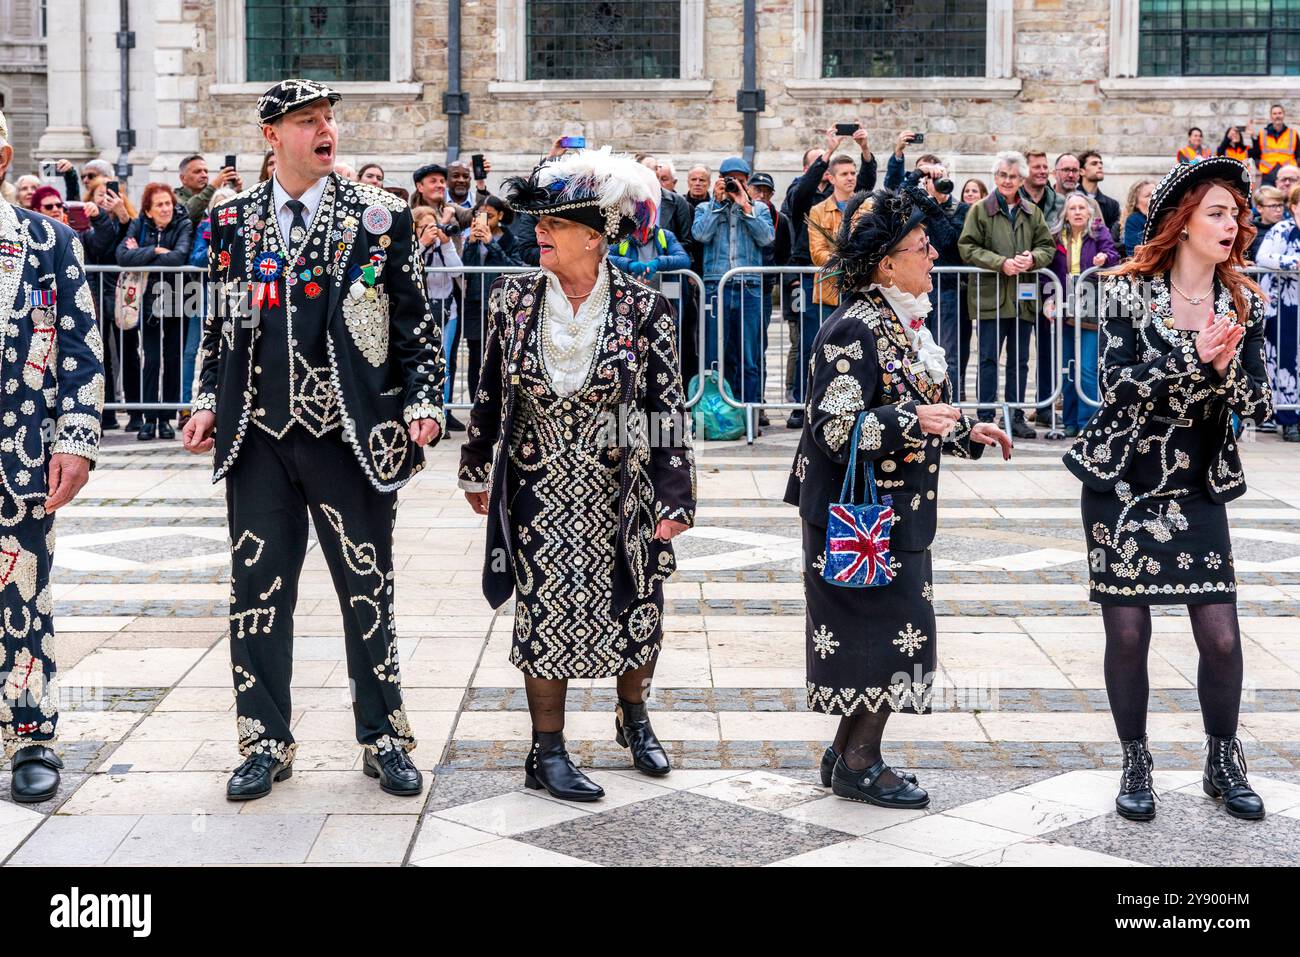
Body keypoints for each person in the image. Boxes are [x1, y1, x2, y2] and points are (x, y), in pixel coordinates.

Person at [183, 78, 446, 802]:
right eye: (307, 121)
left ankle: (384, 734)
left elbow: (416, 327)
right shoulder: (233, 220)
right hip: (258, 436)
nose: (324, 131)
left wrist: (423, 399)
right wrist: (208, 399)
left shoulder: (379, 216)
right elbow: (221, 323)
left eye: (328, 119)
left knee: (368, 588)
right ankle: (264, 739)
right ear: (273, 136)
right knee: (256, 593)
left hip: (348, 436)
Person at [459, 148, 696, 801]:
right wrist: (478, 466)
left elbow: (666, 405)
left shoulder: (642, 305)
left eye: (553, 226)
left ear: (593, 237)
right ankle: (547, 750)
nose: (538, 233)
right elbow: (489, 392)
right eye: (539, 224)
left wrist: (675, 494)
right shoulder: (512, 300)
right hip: (539, 485)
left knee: (637, 605)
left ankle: (635, 715)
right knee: (546, 612)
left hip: (622, 483)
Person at [784, 189, 1012, 809]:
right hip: (854, 516)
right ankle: (861, 763)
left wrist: (968, 431)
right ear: (887, 263)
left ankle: (843, 753)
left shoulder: (902, 318)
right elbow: (834, 429)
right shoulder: (852, 327)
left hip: (896, 512)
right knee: (888, 638)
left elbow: (919, 406)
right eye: (920, 248)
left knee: (888, 635)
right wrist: (914, 421)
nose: (934, 255)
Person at [1064, 157, 1271, 823]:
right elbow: (1115, 384)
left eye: (1236, 213)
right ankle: (1136, 756)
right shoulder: (1126, 291)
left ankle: (1222, 757)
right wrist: (1191, 356)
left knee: (1221, 637)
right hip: (1123, 482)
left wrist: (1226, 361)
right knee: (1127, 634)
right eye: (1217, 211)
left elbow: (1259, 400)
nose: (1231, 223)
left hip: (1197, 483)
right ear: (1182, 223)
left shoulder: (1245, 301)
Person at [0, 108, 105, 801]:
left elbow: (80, 346)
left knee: (24, 594)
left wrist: (76, 439)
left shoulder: (49, 241)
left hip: (20, 456)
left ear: (2, 156)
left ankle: (31, 734)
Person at [958, 151, 1056, 439]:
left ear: (1021, 179)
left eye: (1012, 176)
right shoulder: (979, 210)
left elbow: (1046, 247)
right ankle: (986, 415)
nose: (1007, 181)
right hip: (991, 298)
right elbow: (968, 247)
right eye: (1002, 175)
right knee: (988, 358)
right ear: (995, 177)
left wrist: (1032, 259)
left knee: (1019, 360)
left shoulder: (1031, 212)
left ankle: (1014, 414)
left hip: (1022, 299)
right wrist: (1000, 263)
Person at [785, 129, 877, 427]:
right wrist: (847, 262)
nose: (851, 178)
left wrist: (856, 262)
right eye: (845, 173)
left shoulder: (868, 208)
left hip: (860, 292)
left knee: (858, 350)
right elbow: (818, 252)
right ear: (832, 178)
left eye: (853, 173)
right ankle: (810, 403)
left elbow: (873, 244)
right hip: (826, 292)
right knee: (816, 348)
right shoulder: (817, 209)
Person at [692, 156, 775, 422]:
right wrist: (718, 204)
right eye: (730, 179)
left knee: (748, 355)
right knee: (716, 356)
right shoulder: (706, 207)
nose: (735, 183)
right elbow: (701, 235)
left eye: (740, 179)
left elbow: (767, 237)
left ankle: (749, 414)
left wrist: (745, 207)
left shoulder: (759, 209)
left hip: (749, 286)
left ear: (747, 182)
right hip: (717, 286)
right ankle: (719, 415)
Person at [115, 183, 192, 441]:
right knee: (151, 360)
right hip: (148, 303)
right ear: (147, 210)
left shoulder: (183, 223)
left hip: (176, 300)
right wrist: (156, 250)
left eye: (168, 203)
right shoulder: (140, 224)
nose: (165, 208)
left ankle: (166, 418)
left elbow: (179, 257)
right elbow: (123, 255)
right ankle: (149, 418)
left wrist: (142, 254)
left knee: (172, 360)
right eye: (159, 204)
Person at [1050, 193, 1119, 438]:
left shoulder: (1099, 232)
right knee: (1067, 367)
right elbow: (1047, 269)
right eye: (1073, 208)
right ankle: (1069, 420)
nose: (1077, 212)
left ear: (1090, 212)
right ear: (1066, 214)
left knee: (1087, 366)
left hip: (1090, 301)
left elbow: (1113, 254)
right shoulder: (1057, 236)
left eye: (1082, 208)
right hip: (1064, 301)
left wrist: (1104, 258)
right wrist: (1048, 298)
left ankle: (1087, 420)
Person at [83, 177, 137, 430]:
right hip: (96, 293)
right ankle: (106, 413)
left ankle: (136, 413)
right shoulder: (88, 223)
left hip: (123, 295)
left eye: (111, 194)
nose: (106, 199)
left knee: (129, 355)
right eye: (100, 194)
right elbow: (100, 247)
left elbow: (126, 251)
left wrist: (124, 218)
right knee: (100, 355)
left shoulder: (128, 218)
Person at [460, 194, 524, 400]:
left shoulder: (510, 239)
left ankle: (498, 403)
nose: (485, 220)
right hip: (475, 302)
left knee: (499, 354)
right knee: (475, 356)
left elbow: (514, 269)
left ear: (501, 215)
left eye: (490, 215)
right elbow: (466, 271)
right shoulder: (471, 239)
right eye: (480, 216)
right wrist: (470, 245)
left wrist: (491, 244)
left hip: (501, 304)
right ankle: (474, 404)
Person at [1255, 184, 1300, 442]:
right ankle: (1287, 418)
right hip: (1283, 306)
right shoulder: (1282, 230)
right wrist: (1293, 263)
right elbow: (1263, 256)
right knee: (1284, 361)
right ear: (1293, 207)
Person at [413, 204, 465, 426]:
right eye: (424, 227)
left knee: (444, 362)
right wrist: (422, 244)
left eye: (432, 226)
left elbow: (457, 271)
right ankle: (424, 409)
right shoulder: (413, 247)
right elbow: (408, 268)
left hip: (446, 309)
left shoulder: (442, 247)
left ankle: (442, 414)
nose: (430, 231)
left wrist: (446, 244)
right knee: (423, 361)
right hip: (420, 309)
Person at [185, 187, 236, 412]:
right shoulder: (205, 227)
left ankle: (231, 400)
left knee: (236, 345)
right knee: (193, 349)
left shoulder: (246, 228)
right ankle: (186, 404)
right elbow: (195, 257)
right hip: (205, 291)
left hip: (238, 291)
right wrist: (214, 254)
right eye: (219, 205)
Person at [176, 154, 241, 240]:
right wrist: (214, 186)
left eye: (206, 171)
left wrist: (237, 191)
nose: (204, 175)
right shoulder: (174, 198)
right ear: (183, 178)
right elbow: (188, 213)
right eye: (197, 171)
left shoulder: (215, 195)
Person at [1251, 104, 1300, 186]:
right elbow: (1255, 154)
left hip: (1288, 175)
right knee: (1266, 198)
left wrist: (1296, 168)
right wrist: (1259, 165)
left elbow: (1298, 155)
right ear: (1271, 116)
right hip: (1268, 174)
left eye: (1280, 113)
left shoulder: (1293, 133)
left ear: (1283, 115)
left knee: (1290, 198)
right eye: (1275, 113)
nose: (1277, 116)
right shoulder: (1262, 133)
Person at [1076, 150, 1121, 237]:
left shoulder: (1112, 205)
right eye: (1094, 163)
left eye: (1101, 163)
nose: (1100, 166)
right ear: (1081, 171)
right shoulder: (1071, 199)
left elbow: (1112, 238)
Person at [1021, 149, 1063, 227]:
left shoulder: (1061, 203)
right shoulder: (1013, 201)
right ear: (1024, 170)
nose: (1043, 171)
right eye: (1037, 167)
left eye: (1045, 167)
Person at [1246, 185, 1286, 261]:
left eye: (1280, 205)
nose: (1278, 210)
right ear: (1259, 208)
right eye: (1273, 206)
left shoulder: (1291, 229)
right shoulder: (1249, 231)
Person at [1121, 179, 1154, 258]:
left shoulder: (1167, 215)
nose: (1154, 197)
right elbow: (1134, 253)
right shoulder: (1134, 220)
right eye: (1147, 195)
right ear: (1136, 203)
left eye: (1156, 193)